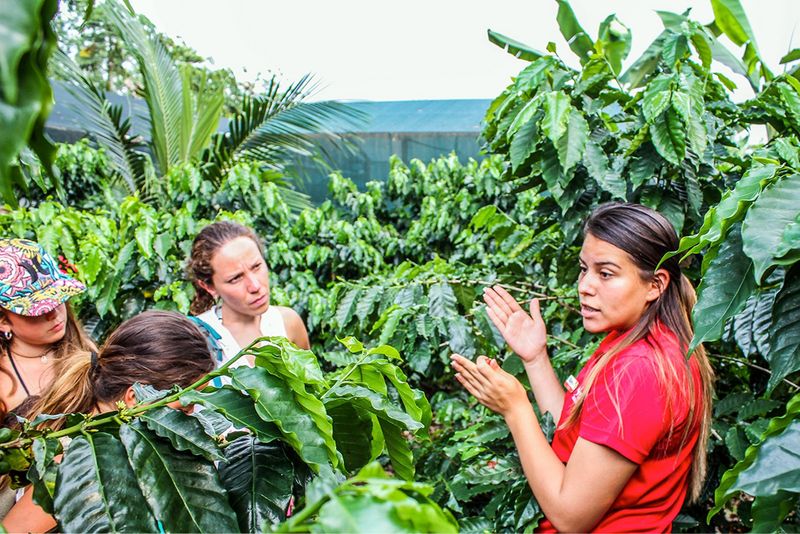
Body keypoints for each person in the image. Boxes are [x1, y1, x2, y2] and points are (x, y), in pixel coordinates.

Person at [451, 203, 714, 532]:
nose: (585, 286)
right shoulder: (637, 342)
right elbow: (577, 433)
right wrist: (535, 358)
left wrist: (515, 408)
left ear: (655, 284)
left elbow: (570, 516)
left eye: (606, 273)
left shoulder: (640, 371)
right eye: (583, 269)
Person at [2, 310, 216, 532]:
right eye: (185, 408)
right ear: (135, 398)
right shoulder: (73, 470)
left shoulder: (125, 448)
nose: (192, 417)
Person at [187, 221, 310, 372]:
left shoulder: (288, 323)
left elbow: (310, 387)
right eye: (235, 278)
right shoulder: (196, 342)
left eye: (257, 266)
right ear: (209, 287)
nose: (255, 286)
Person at [0, 238, 94, 426]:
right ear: (3, 321)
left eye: (57, 299)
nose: (54, 314)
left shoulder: (86, 353)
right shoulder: (3, 382)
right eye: (39, 310)